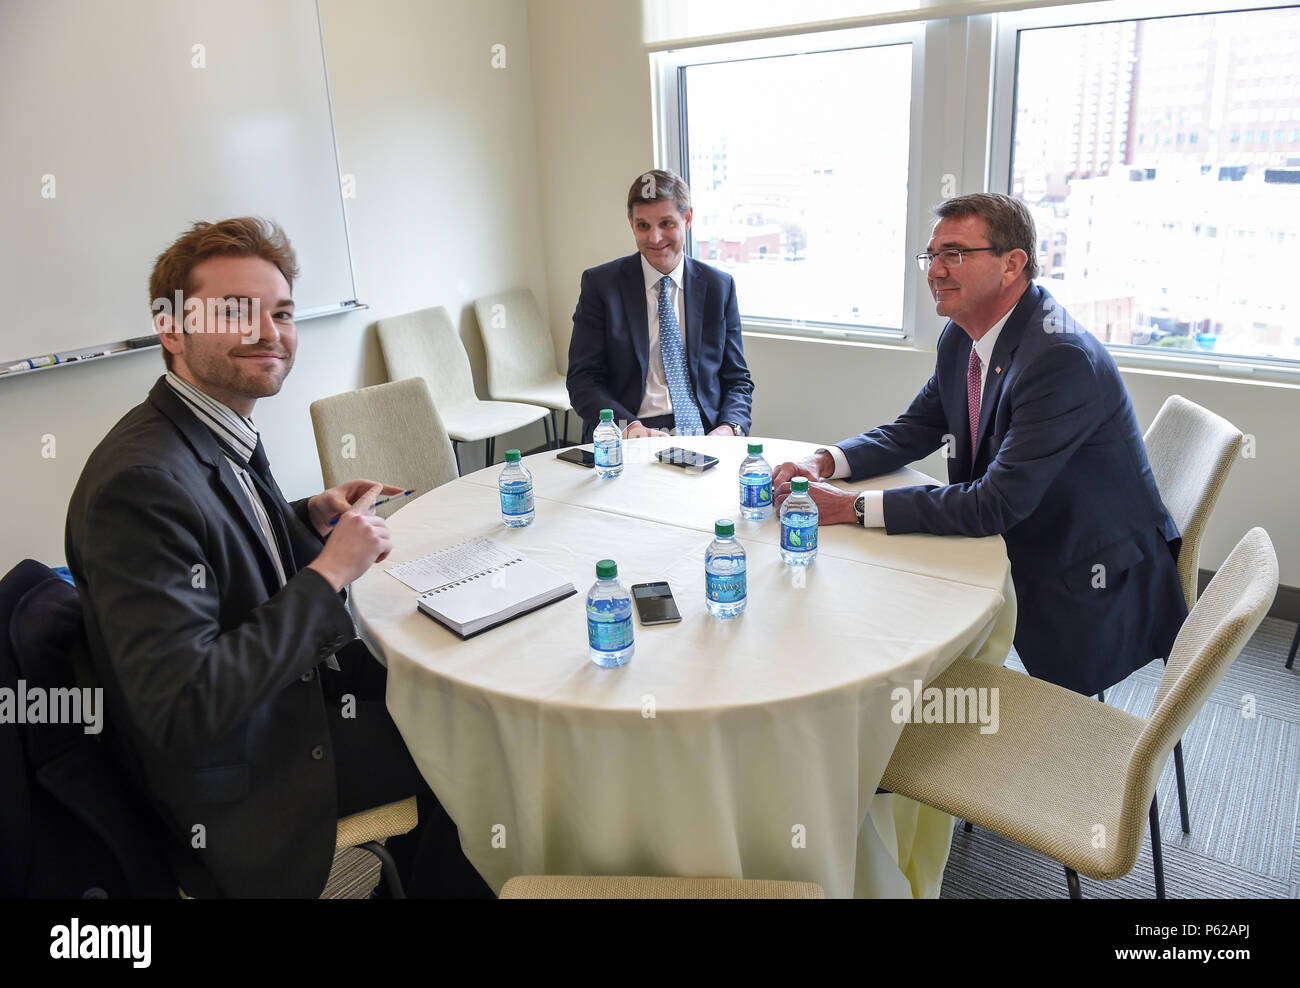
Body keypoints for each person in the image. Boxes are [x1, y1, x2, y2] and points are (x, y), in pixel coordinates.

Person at [65, 217, 491, 898]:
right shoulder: (136, 485)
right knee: (472, 747)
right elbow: (184, 706)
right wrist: (329, 572)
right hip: (246, 772)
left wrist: (303, 518)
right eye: (237, 311)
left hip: (284, 702)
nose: (270, 332)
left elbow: (218, 550)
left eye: (283, 313)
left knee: (455, 683)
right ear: (172, 330)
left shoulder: (208, 425)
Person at [773, 193, 1187, 697]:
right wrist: (824, 460)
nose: (935, 271)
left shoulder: (1060, 359)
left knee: (890, 622)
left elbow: (994, 505)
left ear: (1012, 264)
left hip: (1082, 579)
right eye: (932, 256)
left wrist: (850, 508)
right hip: (1022, 538)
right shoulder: (965, 335)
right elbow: (915, 428)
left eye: (955, 254)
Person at [566, 169, 755, 441]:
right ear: (631, 224)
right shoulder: (600, 285)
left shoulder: (718, 287)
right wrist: (628, 428)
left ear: (687, 218)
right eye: (643, 226)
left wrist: (730, 428)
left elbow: (737, 379)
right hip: (629, 431)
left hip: (703, 432)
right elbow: (583, 380)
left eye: (666, 223)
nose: (655, 238)